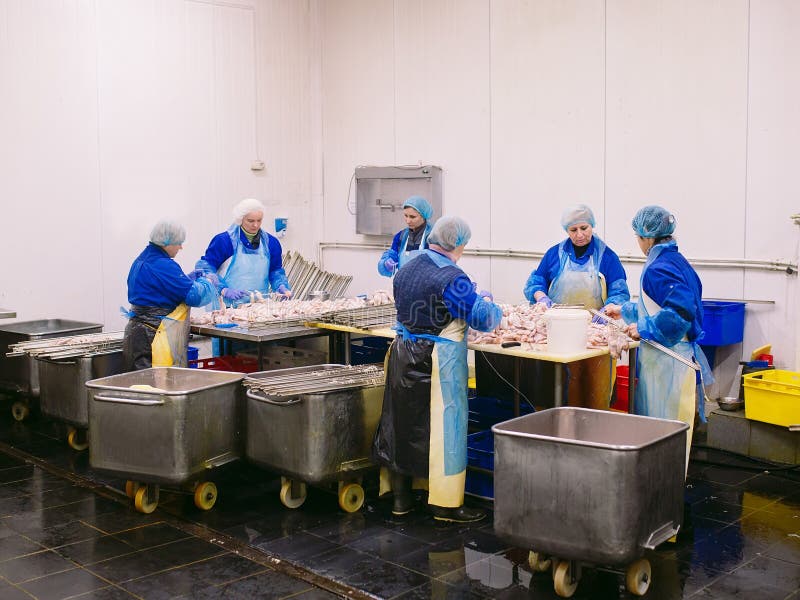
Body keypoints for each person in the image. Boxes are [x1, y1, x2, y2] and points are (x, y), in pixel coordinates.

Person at [372, 216, 501, 523]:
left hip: (403, 354)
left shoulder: (407, 269)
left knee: (402, 426)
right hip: (437, 361)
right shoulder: (451, 276)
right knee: (446, 431)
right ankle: (446, 505)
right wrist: (487, 303)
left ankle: (401, 499)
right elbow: (482, 319)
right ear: (456, 244)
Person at [604, 206, 713, 473]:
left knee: (663, 432)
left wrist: (644, 329)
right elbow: (659, 304)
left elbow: (679, 313)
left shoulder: (658, 268)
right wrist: (625, 311)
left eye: (637, 238)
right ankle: (665, 487)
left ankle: (661, 492)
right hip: (674, 358)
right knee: (669, 433)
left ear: (646, 237)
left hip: (668, 364)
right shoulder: (677, 261)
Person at [522, 204, 630, 408]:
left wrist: (606, 311)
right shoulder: (555, 254)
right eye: (574, 230)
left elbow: (619, 291)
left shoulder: (607, 257)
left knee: (593, 392)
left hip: (594, 335)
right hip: (556, 333)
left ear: (592, 226)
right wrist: (542, 297)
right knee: (556, 390)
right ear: (566, 230)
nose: (580, 234)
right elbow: (536, 282)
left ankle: (592, 434)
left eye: (584, 228)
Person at [122, 220, 218, 371]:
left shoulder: (144, 259)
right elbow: (195, 297)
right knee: (157, 386)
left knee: (142, 385)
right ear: (166, 242)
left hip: (139, 333)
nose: (181, 247)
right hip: (153, 336)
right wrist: (208, 282)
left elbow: (162, 288)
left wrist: (186, 280)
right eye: (179, 243)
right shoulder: (163, 264)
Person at [196, 198, 291, 305]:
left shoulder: (271, 243)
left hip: (257, 306)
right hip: (225, 307)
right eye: (250, 221)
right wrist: (223, 289)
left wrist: (280, 285)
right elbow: (206, 269)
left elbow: (275, 271)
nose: (255, 225)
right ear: (240, 219)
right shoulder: (224, 241)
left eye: (259, 220)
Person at [377, 195, 434, 276]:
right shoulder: (400, 237)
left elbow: (439, 265)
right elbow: (391, 257)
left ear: (424, 216)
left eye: (412, 217)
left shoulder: (433, 238)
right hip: (403, 284)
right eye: (405, 216)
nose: (408, 221)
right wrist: (386, 264)